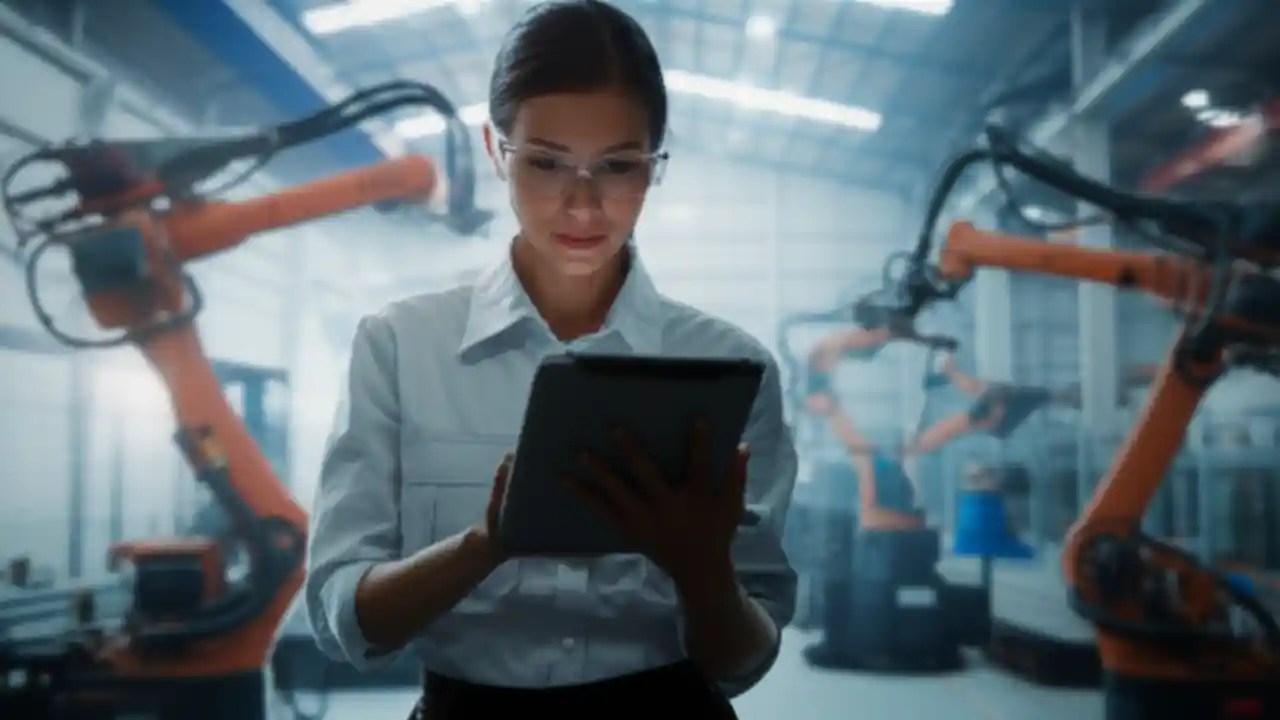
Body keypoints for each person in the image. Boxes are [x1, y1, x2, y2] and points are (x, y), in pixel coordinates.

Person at [302, 2, 798, 718]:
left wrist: (700, 571)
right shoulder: (402, 348)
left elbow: (745, 660)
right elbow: (342, 620)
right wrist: (484, 546)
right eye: (546, 163)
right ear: (495, 150)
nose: (583, 203)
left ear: (657, 165)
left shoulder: (731, 369)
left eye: (619, 166)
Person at [904, 352, 1160, 456]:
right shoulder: (994, 404)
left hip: (1022, 404)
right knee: (974, 407)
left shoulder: (1002, 400)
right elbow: (973, 402)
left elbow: (973, 396)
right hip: (1010, 408)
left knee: (975, 404)